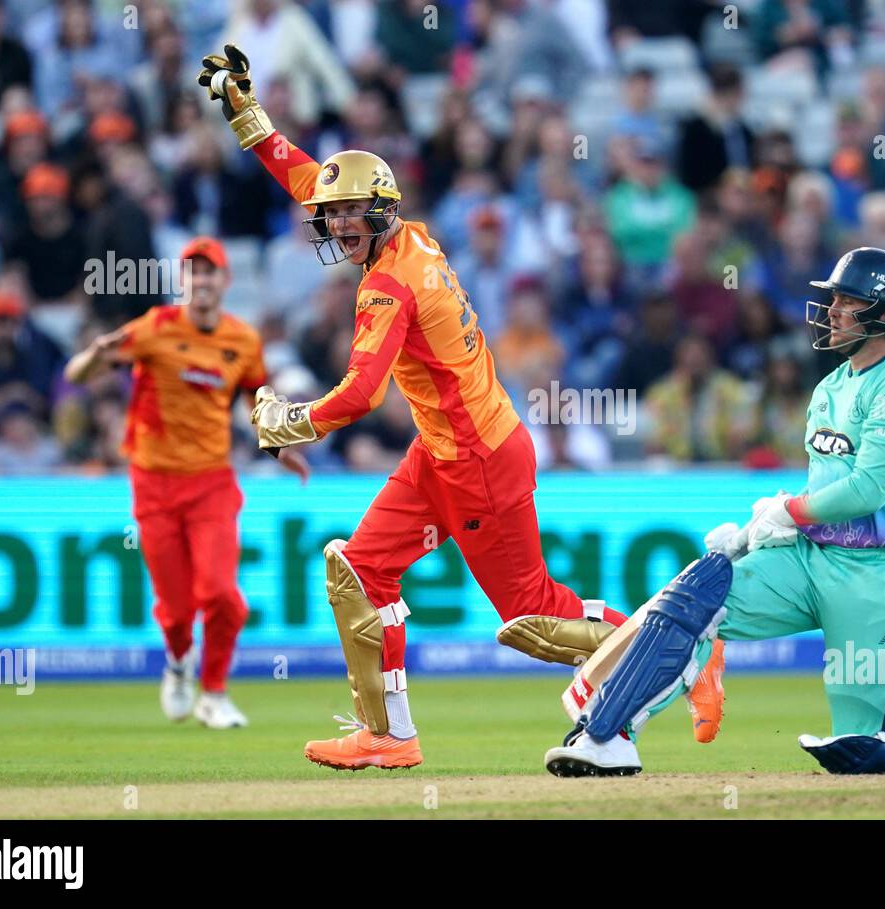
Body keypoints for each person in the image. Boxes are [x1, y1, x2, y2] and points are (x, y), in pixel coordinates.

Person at [197, 45, 685, 771]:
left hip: (478, 462)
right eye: (331, 217)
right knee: (357, 573)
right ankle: (389, 736)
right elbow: (310, 179)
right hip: (447, 451)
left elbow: (361, 394)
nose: (336, 226)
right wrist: (250, 116)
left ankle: (674, 650)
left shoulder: (387, 285)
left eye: (349, 215)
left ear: (380, 209)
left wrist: (284, 423)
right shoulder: (410, 235)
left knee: (533, 622)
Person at [544, 248, 885, 776]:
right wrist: (762, 532)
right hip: (812, 561)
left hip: (882, 576)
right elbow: (826, 485)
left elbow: (867, 491)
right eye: (831, 299)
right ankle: (606, 735)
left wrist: (787, 511)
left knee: (861, 749)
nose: (831, 311)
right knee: (700, 593)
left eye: (848, 301)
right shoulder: (832, 385)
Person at [63, 236, 308, 728]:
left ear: (224, 281)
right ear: (183, 282)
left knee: (220, 594)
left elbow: (254, 402)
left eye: (210, 272)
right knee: (175, 610)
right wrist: (96, 354)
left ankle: (214, 692)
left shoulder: (243, 340)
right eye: (193, 273)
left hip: (212, 482)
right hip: (153, 482)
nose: (202, 281)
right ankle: (178, 665)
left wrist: (280, 448)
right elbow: (77, 374)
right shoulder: (154, 328)